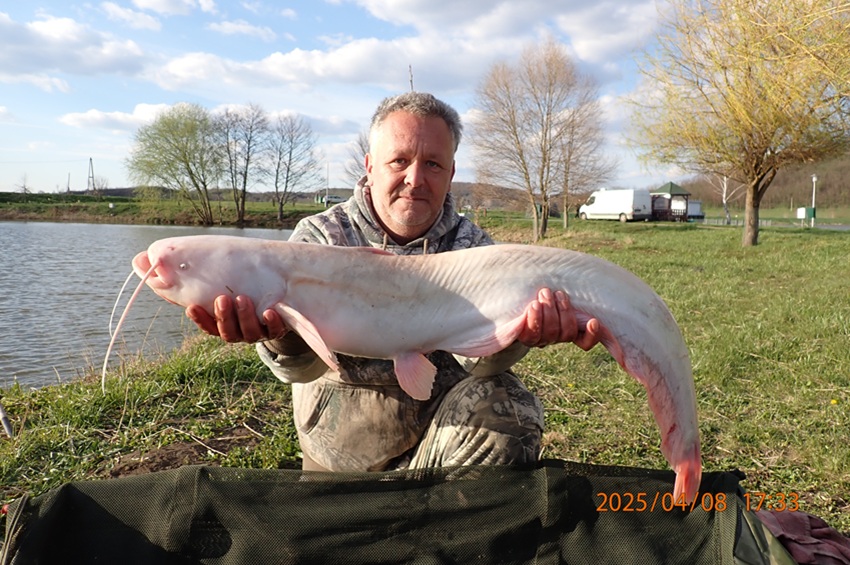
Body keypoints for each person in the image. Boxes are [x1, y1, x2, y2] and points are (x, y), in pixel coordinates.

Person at [187, 92, 600, 473]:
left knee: (510, 402)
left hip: (442, 441)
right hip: (339, 453)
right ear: (370, 165)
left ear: (451, 172)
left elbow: (482, 365)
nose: (415, 179)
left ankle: (452, 521)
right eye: (399, 161)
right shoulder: (319, 239)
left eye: (433, 164)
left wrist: (521, 334)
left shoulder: (473, 248)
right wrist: (281, 336)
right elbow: (298, 369)